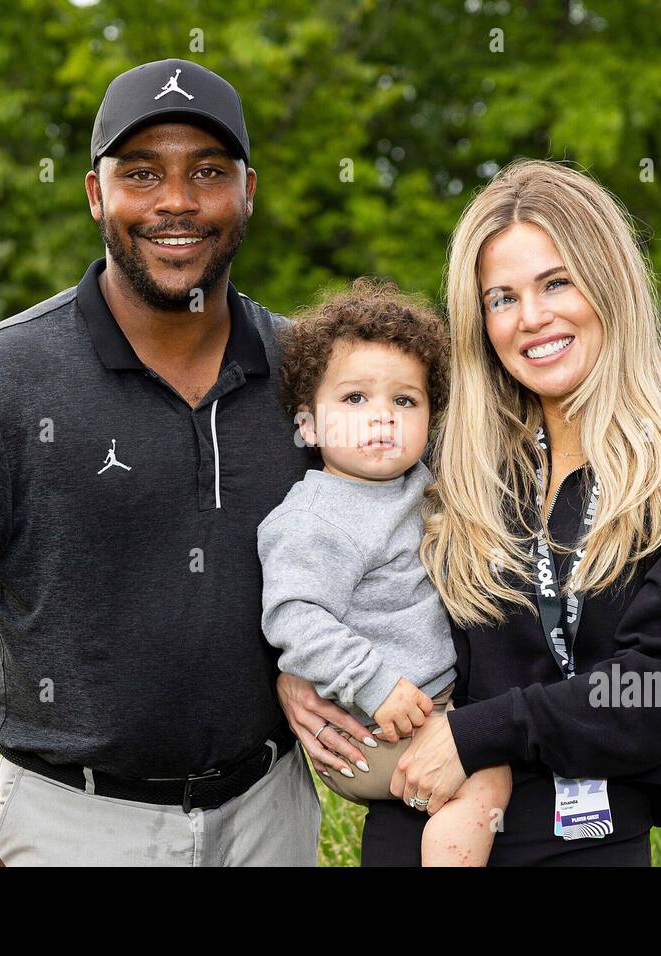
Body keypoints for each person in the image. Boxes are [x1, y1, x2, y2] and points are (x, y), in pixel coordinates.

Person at [0, 58, 324, 866]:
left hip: (270, 812)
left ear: (248, 191)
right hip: (71, 824)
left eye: (207, 173)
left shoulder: (313, 373)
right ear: (94, 194)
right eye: (141, 173)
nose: (176, 201)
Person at [278, 159, 661, 866]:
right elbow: (334, 557)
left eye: (557, 282)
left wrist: (476, 733)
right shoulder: (456, 461)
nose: (533, 318)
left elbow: (656, 695)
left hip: (581, 841)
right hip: (419, 825)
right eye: (502, 298)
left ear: (610, 282)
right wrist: (302, 667)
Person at [257, 279, 512, 866]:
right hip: (364, 726)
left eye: (404, 401)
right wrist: (375, 686)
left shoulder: (417, 484)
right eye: (354, 400)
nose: (382, 419)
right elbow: (295, 618)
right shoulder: (314, 518)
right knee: (486, 775)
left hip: (428, 701)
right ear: (309, 427)